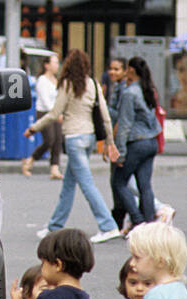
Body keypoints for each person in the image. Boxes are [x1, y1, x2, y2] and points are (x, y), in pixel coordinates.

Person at [26, 48, 123, 243]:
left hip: (73, 138)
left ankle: (108, 225)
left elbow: (54, 114)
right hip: (88, 139)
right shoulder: (94, 84)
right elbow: (104, 116)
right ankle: (54, 226)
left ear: (68, 65)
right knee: (69, 185)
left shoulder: (67, 85)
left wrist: (34, 128)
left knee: (87, 184)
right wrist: (109, 143)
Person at [110, 56, 162, 225]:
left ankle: (138, 220)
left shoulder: (129, 93)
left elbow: (124, 124)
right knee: (145, 186)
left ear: (130, 70)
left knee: (118, 182)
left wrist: (120, 153)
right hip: (151, 141)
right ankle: (148, 224)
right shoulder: (148, 89)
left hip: (136, 142)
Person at [22, 53, 63, 179]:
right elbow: (45, 100)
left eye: (57, 62)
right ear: (47, 65)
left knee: (58, 140)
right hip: (45, 113)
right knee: (49, 139)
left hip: (56, 113)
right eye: (54, 62)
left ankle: (55, 168)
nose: (57, 65)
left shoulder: (57, 80)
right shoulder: (42, 80)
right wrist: (55, 113)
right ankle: (30, 159)